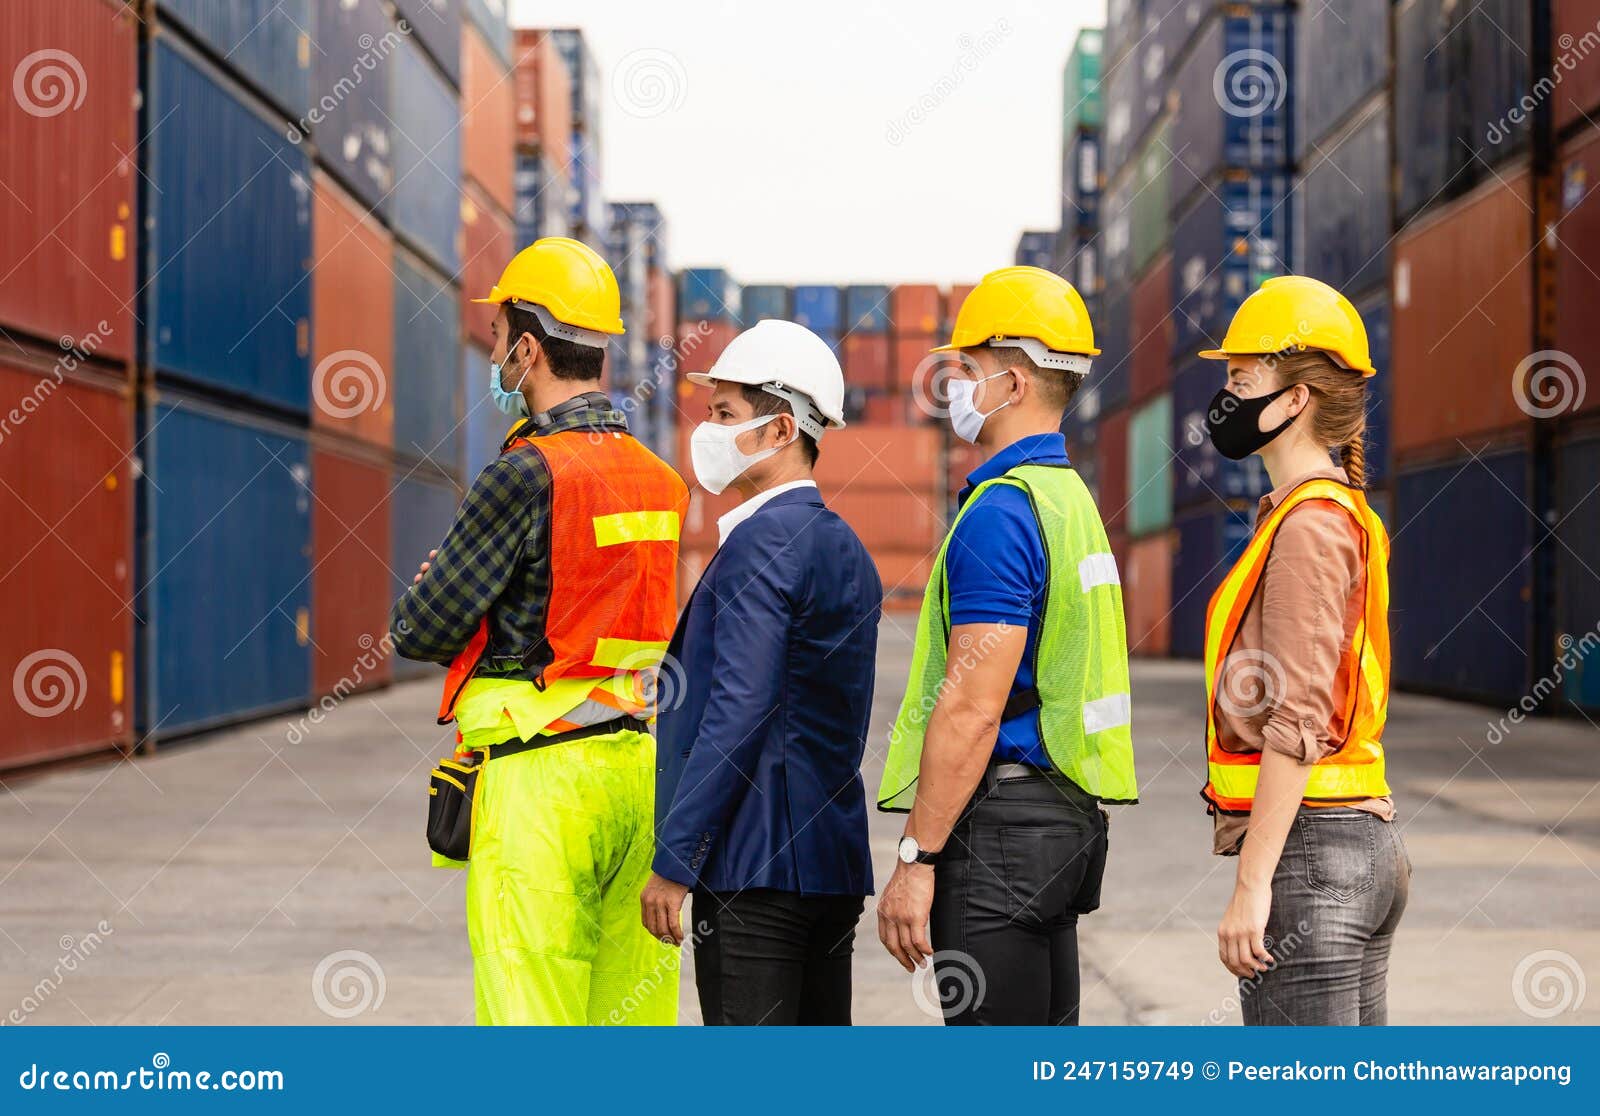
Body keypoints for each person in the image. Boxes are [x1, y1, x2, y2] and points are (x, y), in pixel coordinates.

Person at [390, 237, 689, 1026]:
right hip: (638, 773)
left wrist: (446, 591)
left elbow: (419, 628)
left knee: (533, 1024)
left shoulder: (525, 473)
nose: (492, 356)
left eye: (495, 339)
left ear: (527, 350)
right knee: (630, 1020)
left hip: (540, 785)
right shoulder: (659, 479)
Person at [876, 266, 1138, 1025]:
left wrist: (916, 860)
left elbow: (970, 708)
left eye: (967, 371)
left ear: (1014, 383)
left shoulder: (1002, 510)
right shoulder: (1070, 499)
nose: (955, 387)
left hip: (1000, 840)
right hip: (1065, 823)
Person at [643, 320, 881, 1025]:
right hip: (829, 862)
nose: (706, 429)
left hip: (752, 871)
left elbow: (738, 709)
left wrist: (676, 859)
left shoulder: (758, 544)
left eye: (723, 414)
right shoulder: (847, 549)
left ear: (780, 430)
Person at [1195, 275, 1408, 1026]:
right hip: (1354, 845)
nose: (1222, 398)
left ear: (1294, 401)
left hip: (1314, 855)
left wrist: (1253, 884)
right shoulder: (1319, 514)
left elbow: (1298, 721)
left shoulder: (1310, 528)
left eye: (1239, 378)